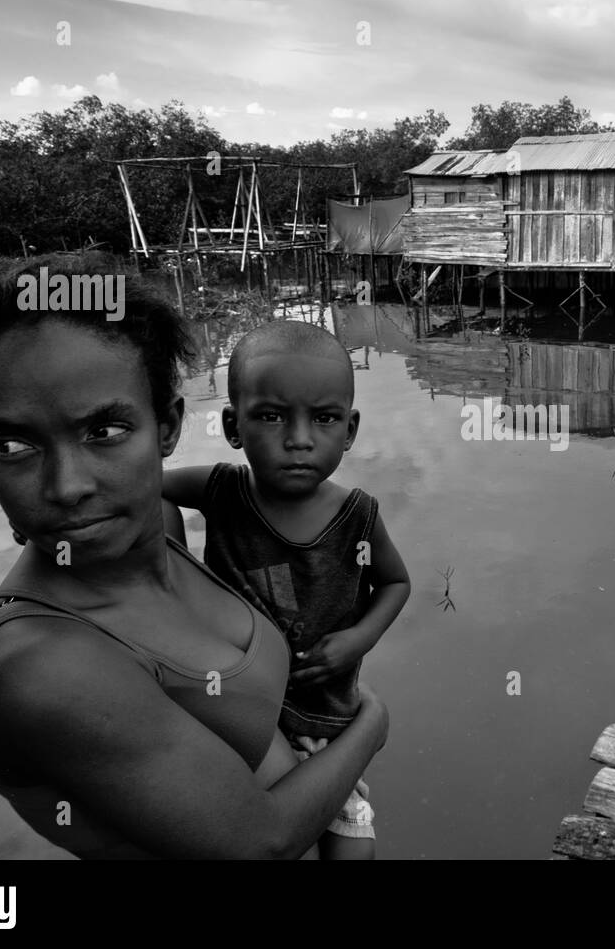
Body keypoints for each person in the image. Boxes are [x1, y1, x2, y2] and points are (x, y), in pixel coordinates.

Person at [0, 254, 388, 859]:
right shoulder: (39, 665)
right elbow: (261, 842)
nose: (67, 487)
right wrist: (370, 726)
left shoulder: (165, 527)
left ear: (169, 426)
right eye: (14, 445)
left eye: (104, 432)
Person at [164, 320, 410, 860]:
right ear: (234, 425)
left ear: (349, 430)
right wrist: (55, 523)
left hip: (327, 716)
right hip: (241, 715)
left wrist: (359, 639)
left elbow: (395, 582)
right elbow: (142, 487)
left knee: (351, 848)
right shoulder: (221, 490)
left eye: (323, 419)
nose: (299, 440)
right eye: (271, 417)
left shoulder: (357, 517)